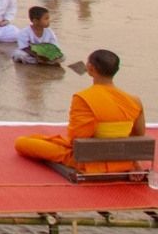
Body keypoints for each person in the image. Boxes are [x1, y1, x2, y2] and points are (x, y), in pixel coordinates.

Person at [15, 50, 146, 173]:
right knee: (43, 140)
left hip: (88, 160)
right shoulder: (134, 100)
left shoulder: (83, 98)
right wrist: (133, 161)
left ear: (90, 69)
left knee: (22, 143)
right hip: (123, 160)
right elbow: (138, 136)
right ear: (116, 70)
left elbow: (77, 140)